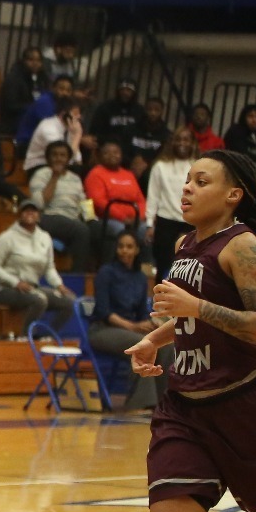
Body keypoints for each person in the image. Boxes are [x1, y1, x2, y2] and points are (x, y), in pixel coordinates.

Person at [114, 150, 256, 512]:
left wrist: (194, 305)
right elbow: (194, 315)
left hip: (245, 405)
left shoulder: (243, 248)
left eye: (204, 180)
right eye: (187, 179)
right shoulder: (183, 246)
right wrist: (160, 337)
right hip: (186, 411)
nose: (189, 188)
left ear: (234, 194)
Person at [88, 231, 158, 408]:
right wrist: (133, 326)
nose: (124, 251)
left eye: (129, 247)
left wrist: (153, 325)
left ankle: (164, 401)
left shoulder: (141, 278)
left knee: (165, 343)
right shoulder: (106, 272)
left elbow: (142, 312)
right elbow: (103, 311)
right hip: (103, 330)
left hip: (128, 331)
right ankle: (141, 404)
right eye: (121, 247)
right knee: (142, 343)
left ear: (137, 250)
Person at [0, 198, 75, 330]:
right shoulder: (7, 237)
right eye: (26, 210)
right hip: (6, 289)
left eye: (33, 210)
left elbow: (49, 268)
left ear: (39, 215)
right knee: (39, 300)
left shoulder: (45, 237)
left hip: (32, 288)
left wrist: (59, 285)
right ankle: (25, 338)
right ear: (20, 214)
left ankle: (48, 336)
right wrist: (15, 282)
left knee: (69, 301)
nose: (30, 213)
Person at [33, 140, 95, 268]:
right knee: (81, 230)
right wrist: (54, 176)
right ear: (48, 158)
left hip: (72, 218)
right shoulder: (41, 174)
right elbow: (39, 204)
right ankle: (78, 274)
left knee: (102, 228)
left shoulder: (75, 178)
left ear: (68, 159)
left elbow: (82, 200)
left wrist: (91, 218)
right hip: (49, 216)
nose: (58, 158)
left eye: (62, 155)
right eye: (54, 155)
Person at [147, 128, 197, 271]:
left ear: (192, 143)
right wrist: (150, 223)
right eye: (179, 139)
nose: (182, 143)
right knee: (163, 265)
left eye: (186, 139)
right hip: (165, 220)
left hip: (189, 221)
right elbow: (153, 195)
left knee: (187, 268)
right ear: (172, 142)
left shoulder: (197, 166)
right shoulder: (160, 166)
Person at [86, 139, 148, 252]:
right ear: (100, 156)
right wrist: (123, 218)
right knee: (119, 229)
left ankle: (145, 266)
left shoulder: (128, 174)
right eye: (107, 153)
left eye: (116, 152)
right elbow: (99, 202)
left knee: (145, 229)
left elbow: (141, 200)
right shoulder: (95, 174)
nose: (112, 155)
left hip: (134, 219)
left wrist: (140, 217)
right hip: (104, 220)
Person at [0, 45, 51, 140]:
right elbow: (10, 105)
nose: (35, 63)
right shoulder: (14, 79)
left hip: (37, 119)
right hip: (15, 121)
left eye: (38, 60)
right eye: (31, 60)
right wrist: (32, 107)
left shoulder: (43, 78)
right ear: (23, 61)